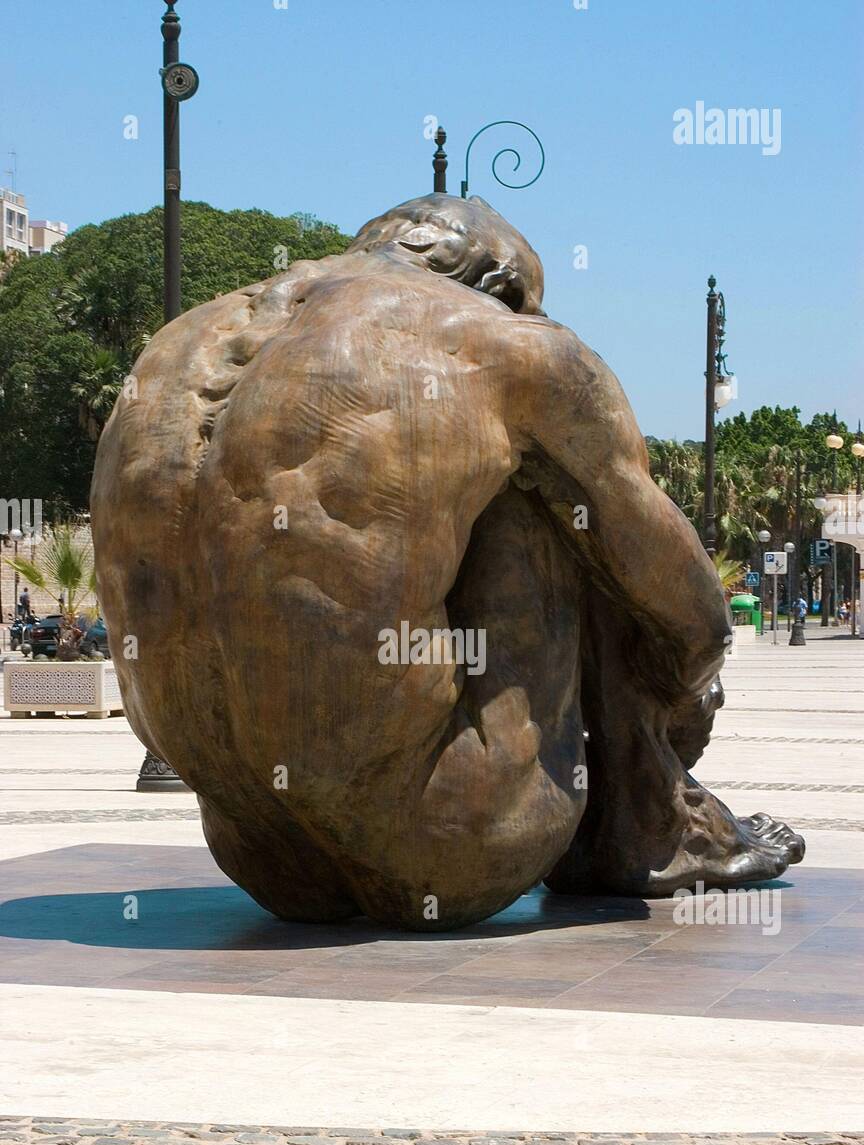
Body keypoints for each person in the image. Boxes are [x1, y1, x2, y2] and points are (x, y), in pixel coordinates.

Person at [93, 193, 805, 928]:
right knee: (569, 498)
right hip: (466, 841)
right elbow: (697, 624)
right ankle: (642, 829)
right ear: (505, 289)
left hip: (258, 857)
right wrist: (668, 714)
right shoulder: (508, 344)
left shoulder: (176, 344)